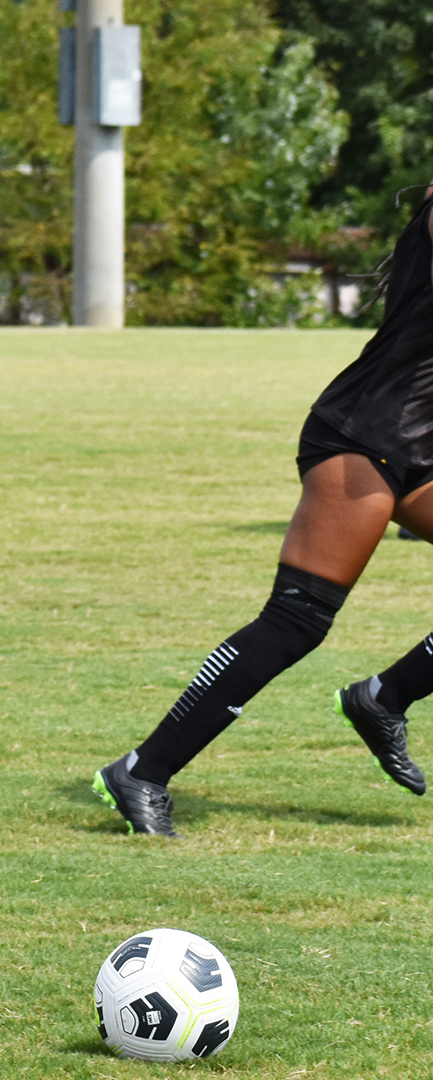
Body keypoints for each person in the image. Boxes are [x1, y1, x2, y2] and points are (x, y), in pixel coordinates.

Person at [95, 187, 433, 838]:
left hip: (421, 450)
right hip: (362, 439)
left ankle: (385, 696)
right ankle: (142, 769)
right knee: (297, 620)